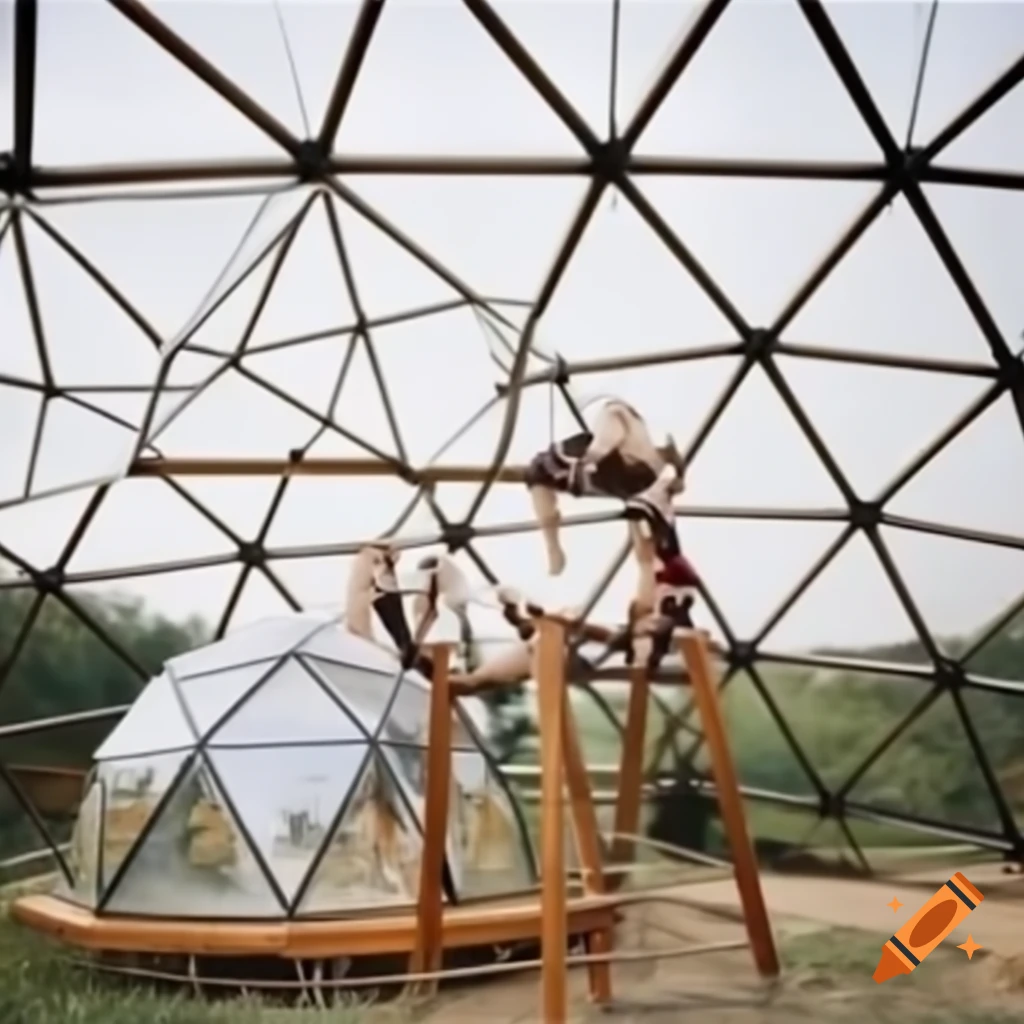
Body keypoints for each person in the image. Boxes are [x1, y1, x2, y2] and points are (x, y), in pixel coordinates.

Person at [524, 399, 686, 576]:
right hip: (635, 479)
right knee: (644, 520)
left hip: (624, 472)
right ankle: (653, 567)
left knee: (538, 470)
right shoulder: (634, 432)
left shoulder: (614, 414)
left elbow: (602, 446)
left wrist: (587, 461)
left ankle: (553, 548)